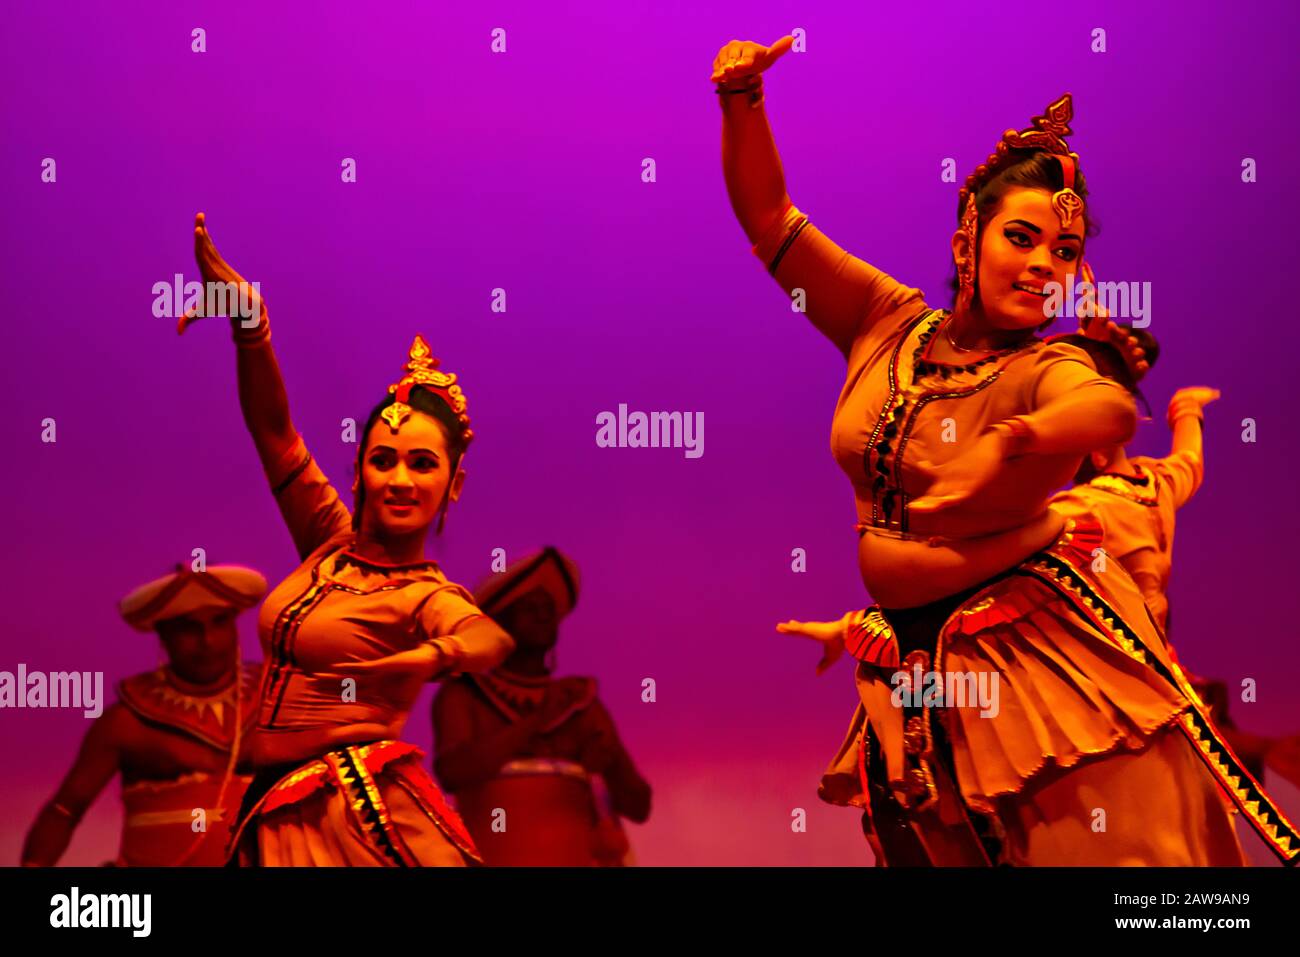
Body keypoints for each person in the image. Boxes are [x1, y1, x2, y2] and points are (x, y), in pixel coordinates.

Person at [715, 36, 1298, 864]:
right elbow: (771, 221)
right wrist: (741, 99)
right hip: (915, 669)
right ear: (968, 235)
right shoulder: (885, 322)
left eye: (1063, 253)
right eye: (1020, 239)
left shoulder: (1045, 365)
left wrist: (1017, 437)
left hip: (1039, 667)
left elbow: (1104, 410)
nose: (1041, 267)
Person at [175, 213, 515, 866]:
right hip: (267, 809)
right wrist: (251, 326)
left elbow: (487, 638)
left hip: (352, 813)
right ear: (359, 467)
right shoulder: (327, 539)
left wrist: (429, 657)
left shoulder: (424, 595)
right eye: (383, 458)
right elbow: (274, 433)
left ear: (454, 484)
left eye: (423, 464)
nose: (399, 478)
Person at [22, 565, 264, 866]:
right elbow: (66, 809)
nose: (208, 641)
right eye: (188, 628)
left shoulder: (278, 702)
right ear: (163, 634)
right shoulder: (126, 722)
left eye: (219, 622)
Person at [433, 547, 651, 865]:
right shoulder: (463, 696)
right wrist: (535, 722)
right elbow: (454, 772)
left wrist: (609, 767)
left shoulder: (581, 705)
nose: (543, 616)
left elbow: (639, 805)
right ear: (500, 623)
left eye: (549, 609)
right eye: (529, 608)